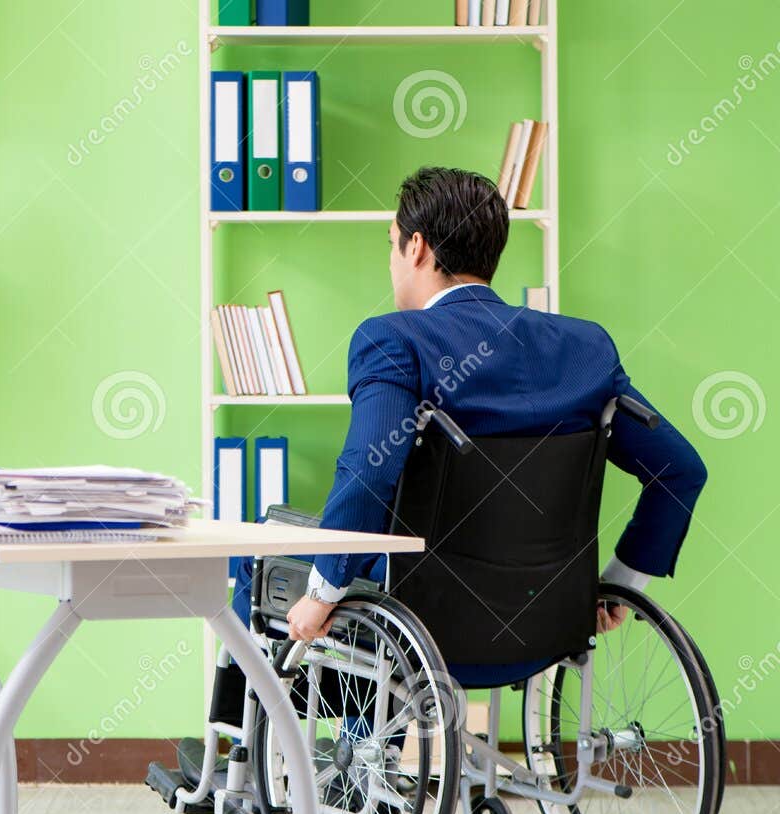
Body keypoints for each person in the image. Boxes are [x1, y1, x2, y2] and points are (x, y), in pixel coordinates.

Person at [268, 166, 707, 654]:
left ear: (416, 247)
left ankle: (276, 731)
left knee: (267, 553)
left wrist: (320, 593)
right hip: (547, 616)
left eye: (391, 244)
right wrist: (612, 588)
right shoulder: (584, 348)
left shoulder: (394, 339)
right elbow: (679, 470)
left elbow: (370, 472)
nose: (392, 261)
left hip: (429, 609)